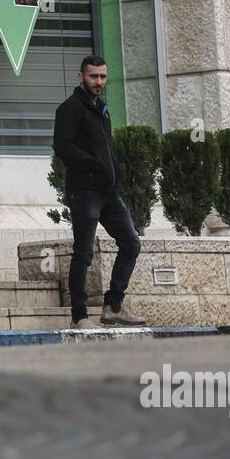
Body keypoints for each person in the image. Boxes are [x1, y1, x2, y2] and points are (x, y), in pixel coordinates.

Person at [52, 55, 145, 327]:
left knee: (131, 242)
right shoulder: (70, 109)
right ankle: (79, 316)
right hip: (85, 191)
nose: (99, 82)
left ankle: (114, 305)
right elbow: (64, 147)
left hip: (108, 192)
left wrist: (112, 169)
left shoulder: (101, 108)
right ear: (80, 76)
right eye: (94, 76)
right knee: (83, 253)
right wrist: (94, 165)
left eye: (103, 76)